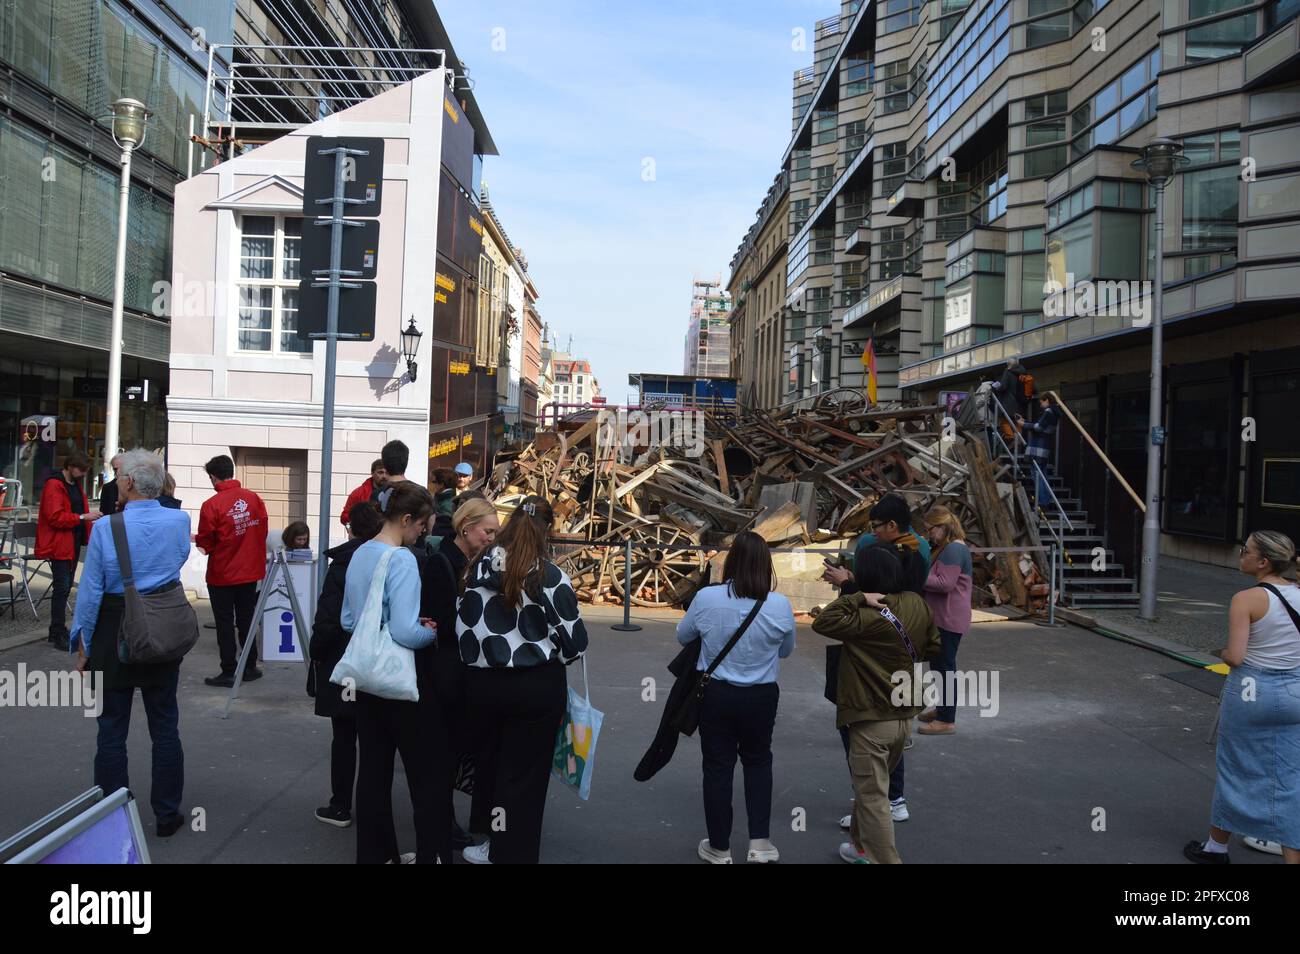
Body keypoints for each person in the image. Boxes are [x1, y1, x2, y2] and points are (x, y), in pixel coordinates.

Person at [457, 495, 588, 864]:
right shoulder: (549, 575)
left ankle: (489, 840)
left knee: (492, 764)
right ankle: (515, 852)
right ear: (546, 531)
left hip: (484, 684)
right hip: (536, 686)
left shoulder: (479, 566)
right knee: (525, 775)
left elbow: (464, 628)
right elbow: (575, 642)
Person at [71, 450, 192, 837]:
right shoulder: (179, 520)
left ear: (127, 484)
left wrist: (83, 643)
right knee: (165, 726)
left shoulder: (108, 527)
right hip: (161, 625)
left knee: (110, 728)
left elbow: (90, 591)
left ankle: (110, 815)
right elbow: (178, 560)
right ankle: (167, 814)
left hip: (113, 626)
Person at [813, 545, 940, 864]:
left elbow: (823, 622)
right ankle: (859, 847)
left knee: (872, 796)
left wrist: (854, 595)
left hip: (870, 720)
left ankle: (885, 859)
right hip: (903, 718)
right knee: (872, 788)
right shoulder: (916, 604)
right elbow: (933, 646)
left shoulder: (863, 615)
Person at [342, 481, 447, 865]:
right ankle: (429, 854)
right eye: (421, 525)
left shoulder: (359, 554)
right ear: (406, 519)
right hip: (400, 680)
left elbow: (349, 619)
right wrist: (428, 631)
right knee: (426, 774)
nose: (423, 533)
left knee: (372, 771)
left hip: (367, 678)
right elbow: (405, 631)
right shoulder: (401, 559)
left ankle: (375, 854)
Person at [677, 531, 796, 864]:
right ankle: (760, 843)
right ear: (765, 565)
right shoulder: (780, 604)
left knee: (717, 766)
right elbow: (785, 651)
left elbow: (682, 635)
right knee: (758, 761)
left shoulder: (707, 598)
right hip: (761, 695)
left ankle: (719, 846)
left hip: (715, 692)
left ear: (731, 562)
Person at [1184, 530, 1300, 865]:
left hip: (1253, 691)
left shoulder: (1246, 599)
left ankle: (1217, 850)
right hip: (1294, 691)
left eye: (1245, 550)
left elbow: (1235, 656)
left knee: (1236, 767)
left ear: (1262, 562)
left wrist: (1219, 651)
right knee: (1290, 777)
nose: (1241, 554)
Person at [821, 492, 929, 823]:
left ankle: (871, 810)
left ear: (892, 526)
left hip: (868, 671)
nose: (872, 532)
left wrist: (850, 586)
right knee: (893, 737)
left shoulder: (886, 561)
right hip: (903, 668)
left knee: (861, 736)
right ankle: (894, 799)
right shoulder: (919, 558)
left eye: (877, 526)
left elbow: (830, 620)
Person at [419, 495, 500, 848]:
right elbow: (443, 621)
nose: (492, 539)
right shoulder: (443, 562)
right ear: (467, 528)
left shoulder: (478, 562)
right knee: (444, 750)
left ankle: (455, 817)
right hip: (448, 670)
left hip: (469, 671)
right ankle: (443, 820)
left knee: (460, 747)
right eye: (488, 531)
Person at [308, 501, 384, 829]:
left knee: (344, 735)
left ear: (351, 528)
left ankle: (341, 805)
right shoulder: (389, 558)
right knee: (375, 738)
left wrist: (316, 651)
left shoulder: (342, 563)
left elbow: (328, 616)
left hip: (343, 658)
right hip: (378, 659)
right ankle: (373, 807)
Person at [196, 455, 269, 688]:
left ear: (213, 477)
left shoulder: (212, 505)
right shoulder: (254, 499)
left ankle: (228, 670)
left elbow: (207, 542)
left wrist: (204, 543)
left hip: (223, 574)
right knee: (247, 619)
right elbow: (263, 530)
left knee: (225, 622)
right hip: (250, 571)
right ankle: (249, 665)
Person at [916, 505, 973, 736]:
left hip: (948, 618)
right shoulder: (950, 548)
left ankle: (947, 720)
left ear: (943, 527)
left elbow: (945, 584)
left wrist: (917, 577)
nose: (929, 534)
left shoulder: (952, 551)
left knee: (945, 668)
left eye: (931, 529)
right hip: (945, 617)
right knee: (940, 666)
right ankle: (942, 710)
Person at [36, 451, 100, 648]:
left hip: (71, 541)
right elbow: (55, 517)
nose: (83, 474)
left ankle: (57, 630)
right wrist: (82, 518)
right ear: (71, 466)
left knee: (64, 588)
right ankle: (57, 631)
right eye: (81, 470)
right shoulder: (54, 485)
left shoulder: (74, 484)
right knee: (62, 587)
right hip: (60, 543)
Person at [1018, 394, 1060, 505]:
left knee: (1036, 475)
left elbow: (1038, 427)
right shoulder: (1054, 413)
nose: (1041, 405)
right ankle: (1046, 499)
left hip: (1038, 447)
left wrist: (1023, 425)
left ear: (1047, 400)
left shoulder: (1048, 412)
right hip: (1044, 447)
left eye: (1041, 402)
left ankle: (1042, 501)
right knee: (1043, 475)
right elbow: (1039, 425)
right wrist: (1026, 422)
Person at [341, 459, 386, 529]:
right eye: (380, 472)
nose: (384, 476)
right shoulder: (358, 493)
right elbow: (345, 516)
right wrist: (351, 529)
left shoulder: (395, 492)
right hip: (364, 537)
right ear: (372, 473)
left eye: (387, 473)